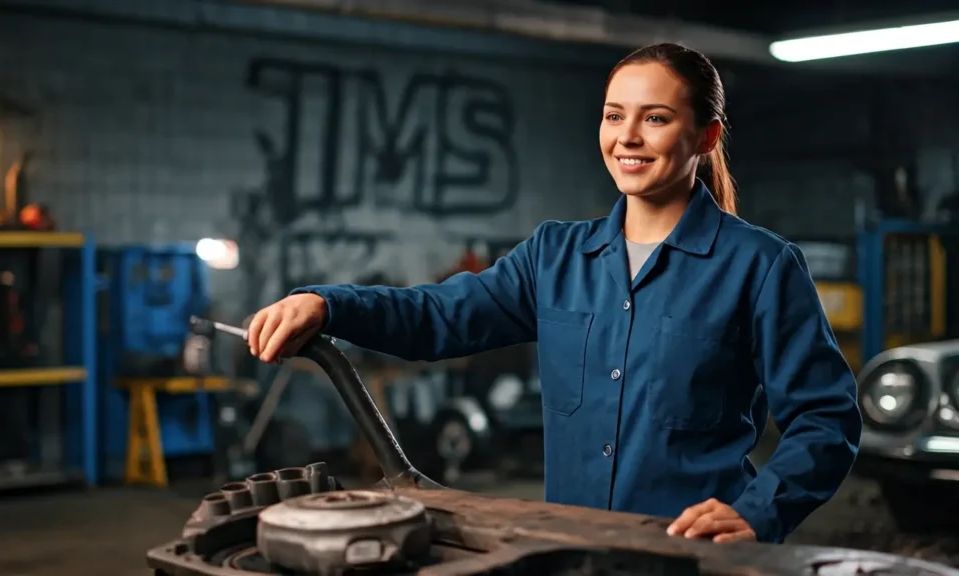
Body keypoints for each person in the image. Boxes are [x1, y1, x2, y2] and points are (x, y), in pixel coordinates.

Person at [245, 43, 862, 545]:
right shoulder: (555, 256)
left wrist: (761, 511)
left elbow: (826, 417)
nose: (628, 137)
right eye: (614, 115)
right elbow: (440, 316)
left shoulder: (760, 265)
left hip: (693, 556)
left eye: (656, 117)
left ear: (705, 137)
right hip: (572, 549)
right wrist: (330, 304)